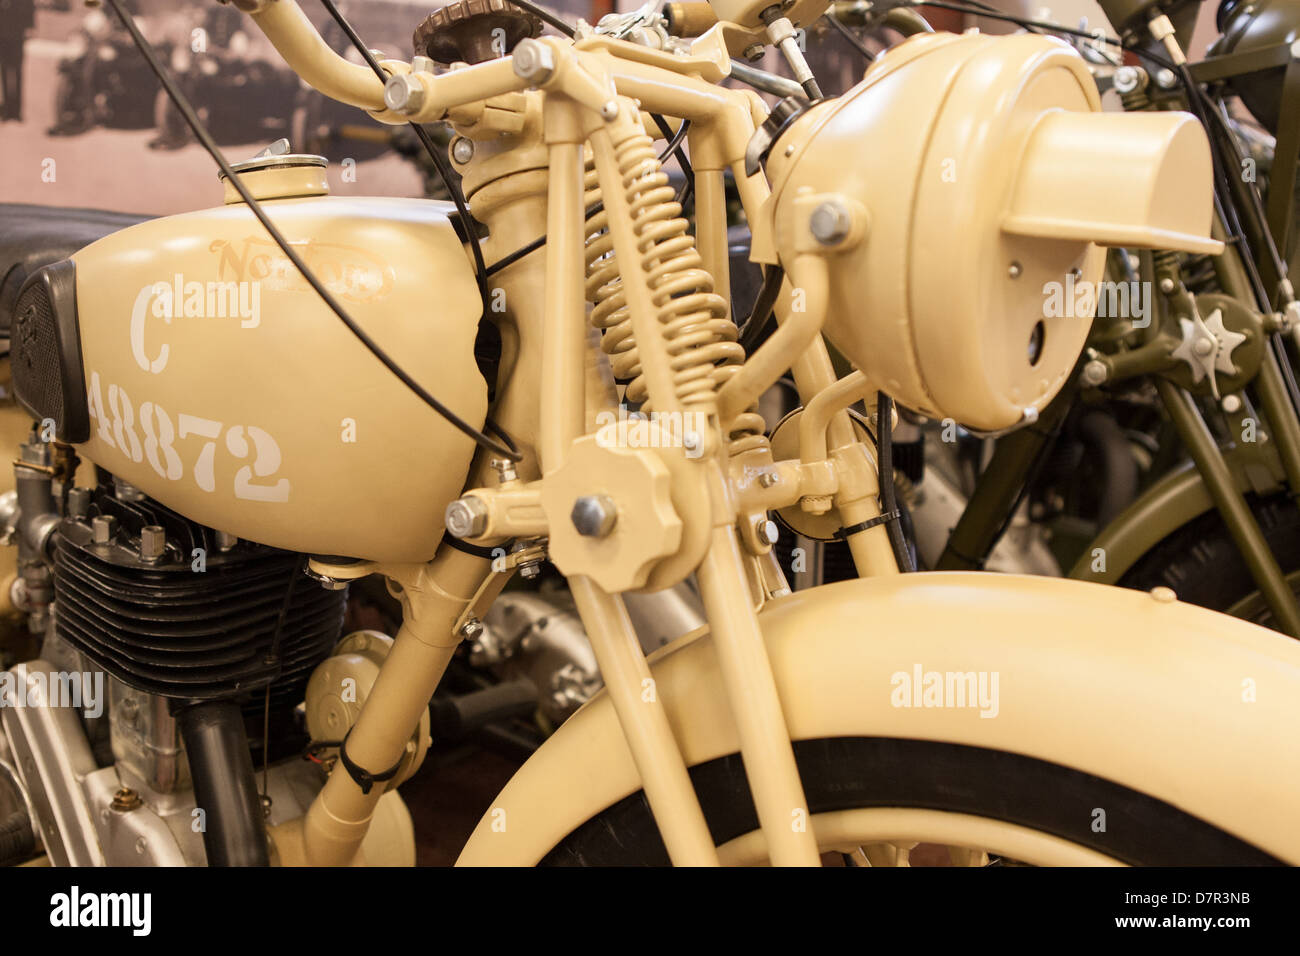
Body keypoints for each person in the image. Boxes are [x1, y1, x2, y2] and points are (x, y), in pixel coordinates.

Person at [0, 0, 35, 121]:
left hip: (18, 34)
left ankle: (17, 111)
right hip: (3, 33)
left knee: (18, 71)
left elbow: (30, 6)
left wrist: (30, 27)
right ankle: (7, 109)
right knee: (4, 71)